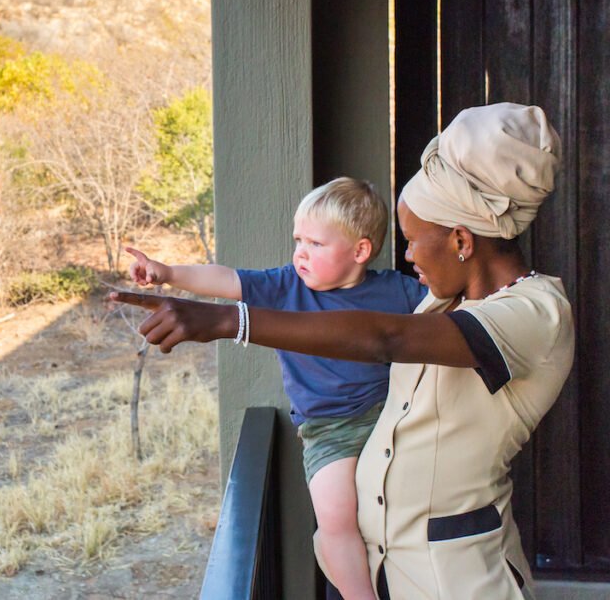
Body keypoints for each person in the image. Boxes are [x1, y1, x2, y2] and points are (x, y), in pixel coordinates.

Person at [111, 102, 574, 600]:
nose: (408, 255)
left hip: (451, 580)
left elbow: (384, 337)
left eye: (413, 241)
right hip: (376, 567)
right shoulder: (444, 298)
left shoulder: (535, 313)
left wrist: (231, 321)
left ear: (461, 239)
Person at [124, 177, 425, 600]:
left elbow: (450, 309)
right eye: (298, 240)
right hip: (330, 430)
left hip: (392, 419)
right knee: (335, 518)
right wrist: (169, 273)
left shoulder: (396, 291)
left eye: (315, 244)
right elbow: (226, 279)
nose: (300, 252)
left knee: (412, 505)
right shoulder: (286, 286)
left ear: (360, 251)